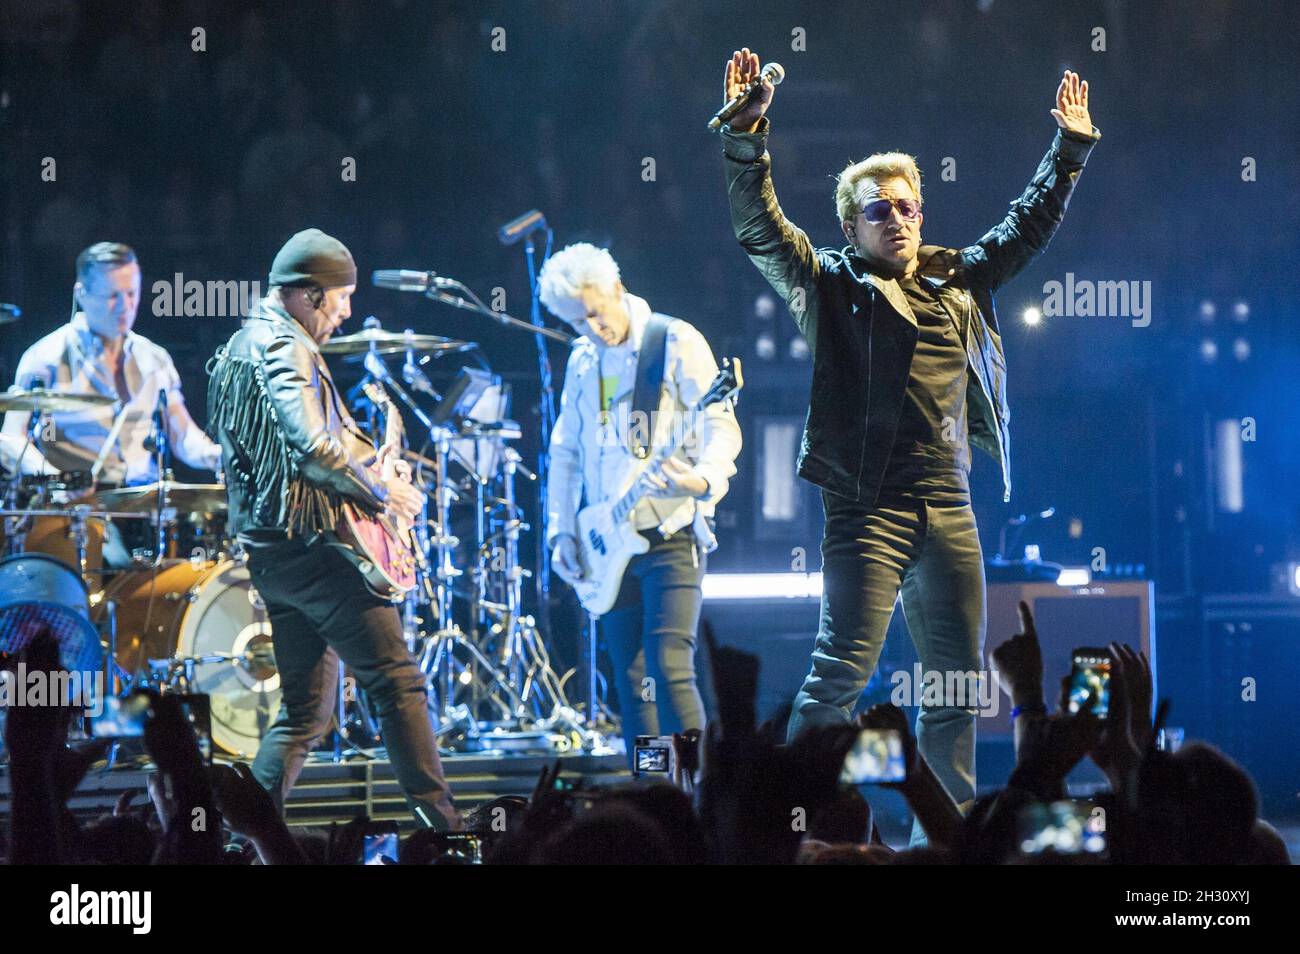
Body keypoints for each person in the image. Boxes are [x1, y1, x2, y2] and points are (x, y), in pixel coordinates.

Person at [717, 49, 1100, 835]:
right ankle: (788, 825)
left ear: (922, 212)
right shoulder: (828, 284)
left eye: (906, 206)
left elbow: (1025, 228)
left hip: (950, 507)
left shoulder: (958, 278)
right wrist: (748, 137)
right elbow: (762, 230)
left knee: (954, 687)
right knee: (839, 678)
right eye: (878, 210)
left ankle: (946, 837)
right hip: (868, 510)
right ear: (850, 226)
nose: (896, 218)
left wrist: (1068, 151)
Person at [205, 228, 458, 829]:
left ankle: (241, 844)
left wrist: (369, 462)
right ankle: (447, 835)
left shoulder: (246, 341)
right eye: (341, 300)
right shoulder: (285, 346)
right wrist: (381, 491)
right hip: (317, 552)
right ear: (309, 295)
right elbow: (313, 450)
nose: (346, 314)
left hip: (276, 554)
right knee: (397, 685)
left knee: (305, 715)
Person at [540, 242, 742, 764]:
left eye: (594, 314)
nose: (590, 329)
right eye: (575, 322)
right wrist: (561, 531)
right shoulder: (583, 361)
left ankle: (701, 792)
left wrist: (700, 480)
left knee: (668, 667)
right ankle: (654, 798)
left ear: (617, 289)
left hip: (670, 534)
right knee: (631, 683)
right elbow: (563, 452)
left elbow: (718, 423)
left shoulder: (672, 341)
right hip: (608, 543)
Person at [0, 242, 221, 483]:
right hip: (78, 505)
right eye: (113, 296)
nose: (126, 306)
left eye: (131, 293)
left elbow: (183, 436)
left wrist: (218, 457)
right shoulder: (45, 358)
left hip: (142, 504)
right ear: (81, 294)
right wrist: (58, 481)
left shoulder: (154, 359)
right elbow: (13, 438)